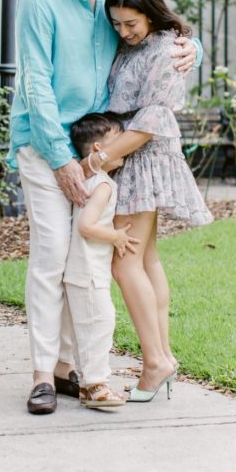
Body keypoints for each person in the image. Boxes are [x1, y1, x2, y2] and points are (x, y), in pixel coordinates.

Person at [10, 0, 199, 416]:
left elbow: (154, 31)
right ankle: (43, 375)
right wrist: (63, 160)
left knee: (92, 263)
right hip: (53, 146)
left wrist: (190, 46)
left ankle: (84, 369)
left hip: (106, 152)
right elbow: (35, 85)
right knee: (53, 257)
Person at [84, 0, 214, 403]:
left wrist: (99, 160)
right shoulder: (142, 44)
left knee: (124, 261)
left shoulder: (165, 50)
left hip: (141, 157)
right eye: (117, 24)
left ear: (151, 14)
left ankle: (157, 361)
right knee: (146, 257)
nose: (123, 32)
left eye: (131, 24)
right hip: (135, 155)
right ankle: (162, 356)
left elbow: (150, 122)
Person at [60, 112, 139, 411]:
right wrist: (116, 237)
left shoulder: (84, 181)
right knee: (100, 323)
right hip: (90, 270)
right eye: (117, 140)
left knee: (86, 327)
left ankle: (88, 384)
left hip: (78, 269)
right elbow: (87, 227)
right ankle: (95, 385)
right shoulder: (103, 185)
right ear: (98, 149)